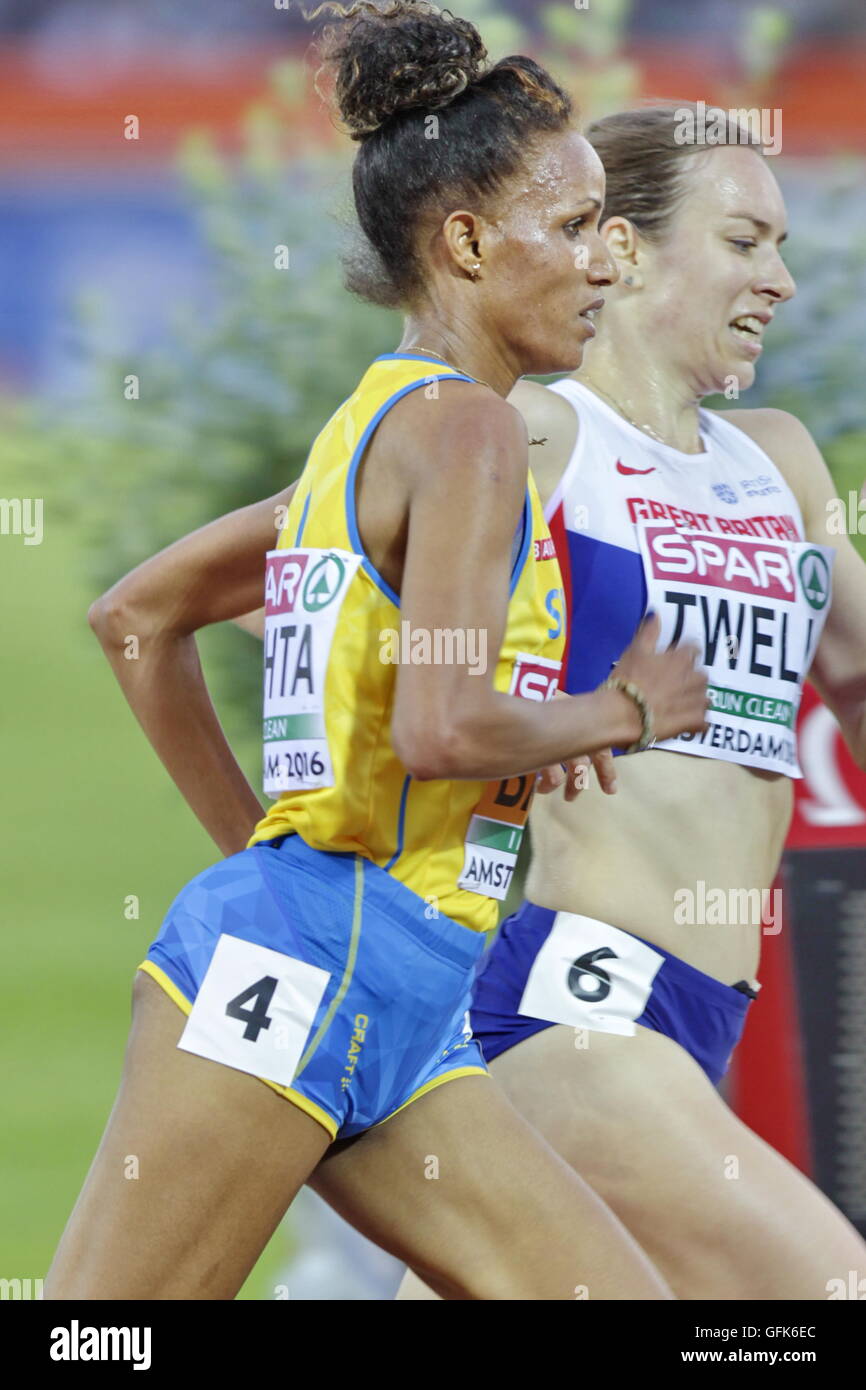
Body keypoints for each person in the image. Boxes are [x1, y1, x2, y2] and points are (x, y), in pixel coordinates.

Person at [44, 8, 709, 1301]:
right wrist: (617, 711)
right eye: (569, 228)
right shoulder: (465, 432)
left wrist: (266, 853)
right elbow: (439, 728)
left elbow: (140, 616)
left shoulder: (370, 431)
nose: (601, 265)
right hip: (311, 967)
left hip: (399, 1002)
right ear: (464, 241)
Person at [318, 103, 866, 1300]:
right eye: (742, 242)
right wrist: (484, 695)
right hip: (579, 1012)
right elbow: (303, 564)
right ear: (619, 248)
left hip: (690, 1021)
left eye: (779, 248)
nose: (776, 280)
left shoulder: (774, 460)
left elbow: (856, 675)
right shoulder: (535, 432)